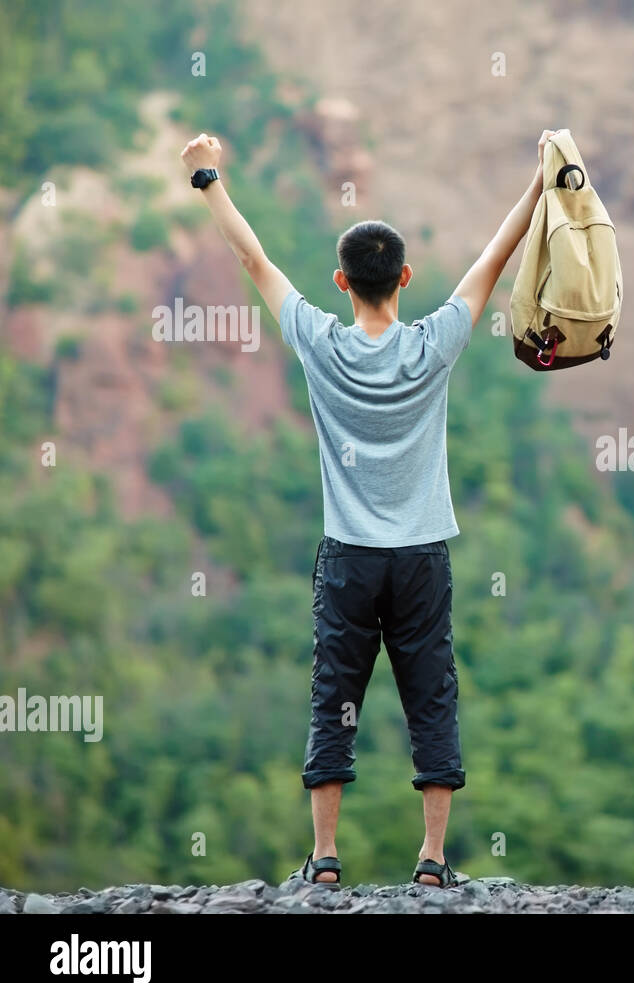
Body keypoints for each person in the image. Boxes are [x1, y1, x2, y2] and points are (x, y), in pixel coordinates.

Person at [181, 127, 557, 888]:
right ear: (406, 277)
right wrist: (541, 186)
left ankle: (323, 860)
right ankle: (432, 862)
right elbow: (493, 261)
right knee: (431, 694)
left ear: (342, 282)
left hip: (348, 555)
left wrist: (207, 178)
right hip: (421, 556)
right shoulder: (434, 344)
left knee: (335, 694)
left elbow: (254, 260)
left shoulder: (320, 343)